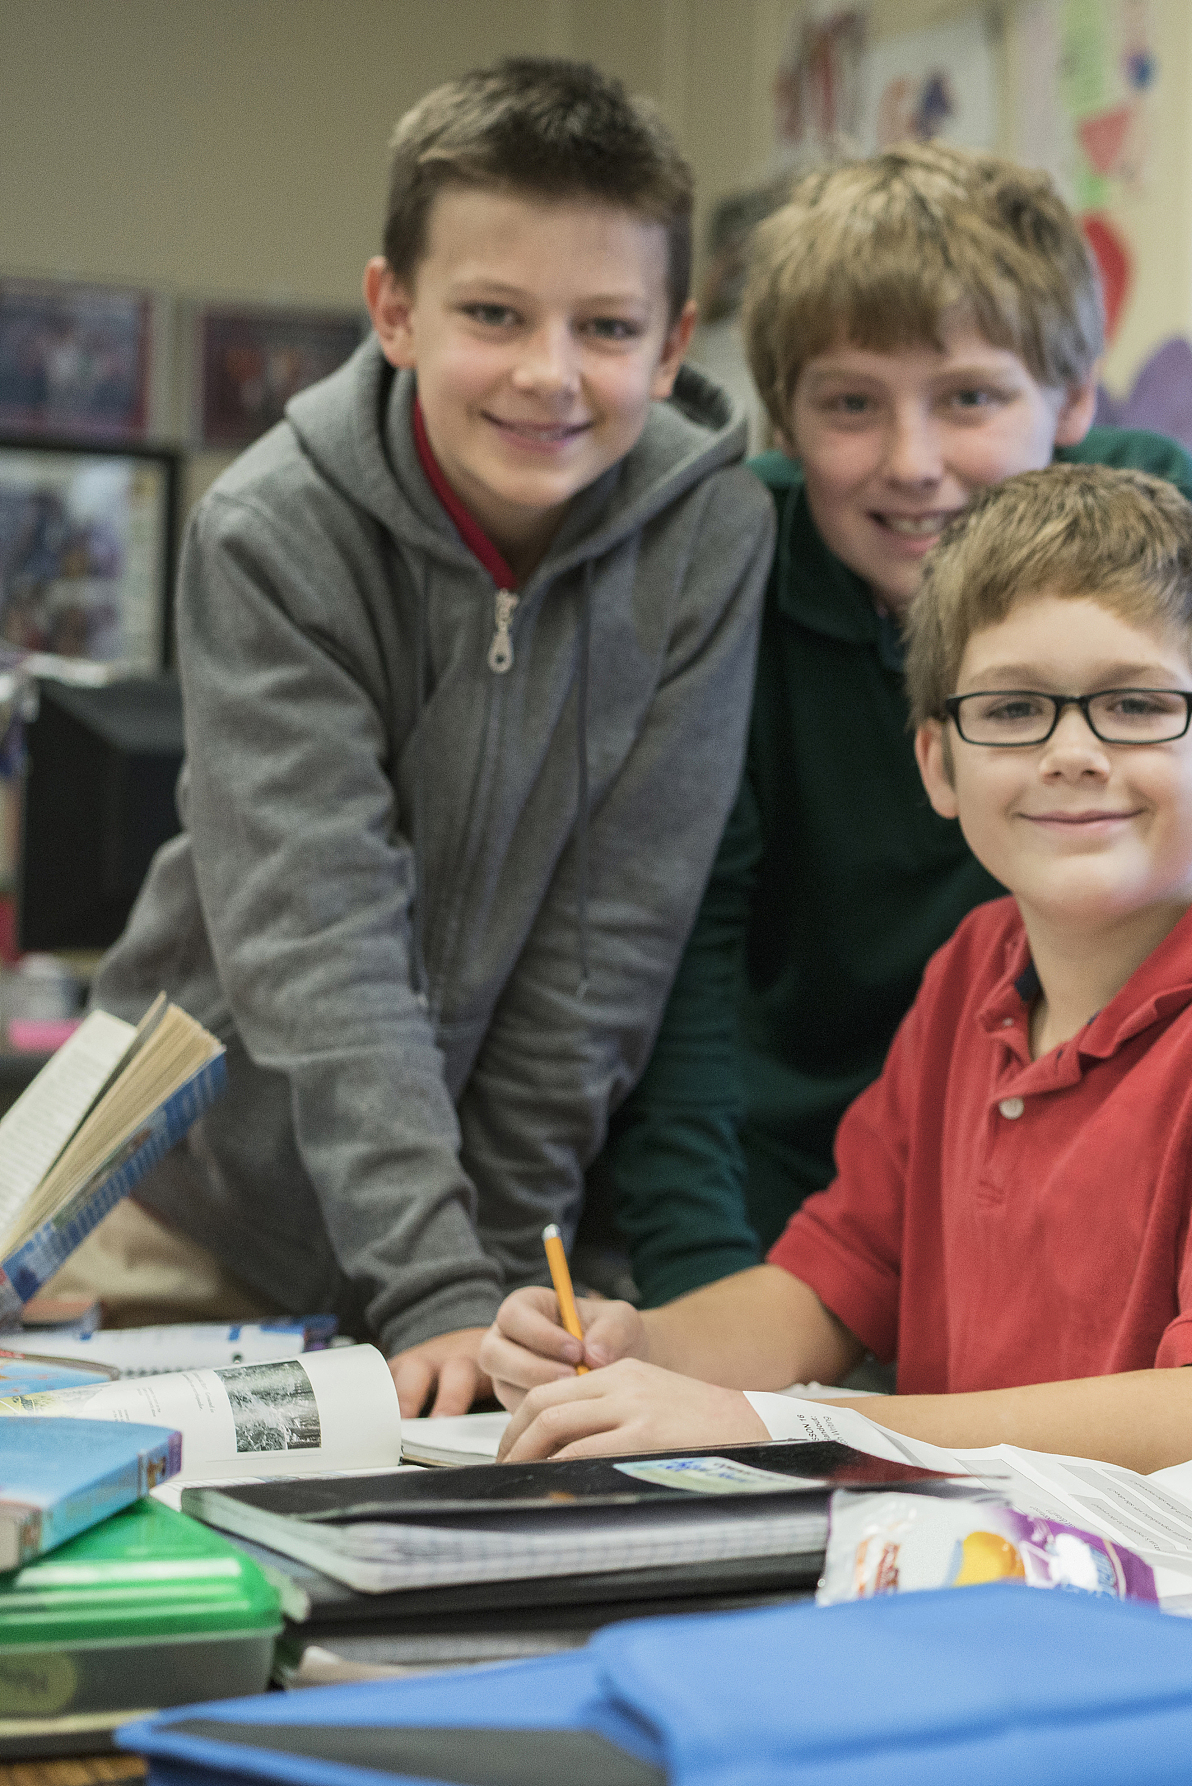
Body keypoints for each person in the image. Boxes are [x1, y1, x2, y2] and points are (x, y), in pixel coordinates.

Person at [69, 58, 773, 1417]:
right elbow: (312, 938)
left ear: (675, 342)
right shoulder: (274, 531)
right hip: (201, 1203)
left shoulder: (712, 537)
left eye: (607, 327)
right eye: (493, 314)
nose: (548, 374)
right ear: (393, 309)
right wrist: (433, 1278)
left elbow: (604, 949)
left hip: (483, 1237)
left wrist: (485, 1287)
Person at [483, 465, 1192, 1470]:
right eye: (1010, 711)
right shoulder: (971, 970)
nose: (1072, 752)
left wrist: (792, 1423)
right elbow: (833, 1279)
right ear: (935, 764)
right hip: (955, 1568)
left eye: (1134, 705)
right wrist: (638, 1346)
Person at [595, 143, 1192, 1310]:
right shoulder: (729, 558)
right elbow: (683, 968)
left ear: (1070, 402)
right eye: (849, 405)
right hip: (809, 1208)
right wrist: (696, 1304)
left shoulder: (1155, 522)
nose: (914, 464)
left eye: (969, 399)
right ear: (783, 420)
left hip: (1110, 1185)